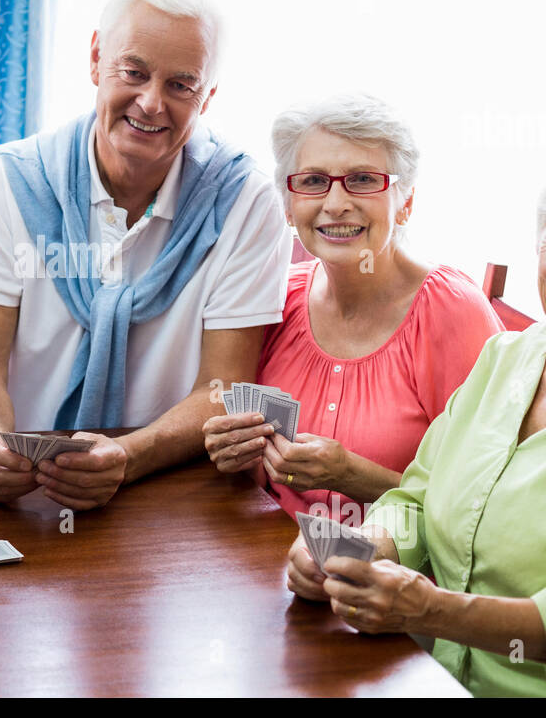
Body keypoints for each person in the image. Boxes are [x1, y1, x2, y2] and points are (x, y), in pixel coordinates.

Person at [287, 146, 546, 696]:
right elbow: (417, 499)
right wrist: (357, 550)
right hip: (442, 679)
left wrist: (433, 610)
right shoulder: (507, 357)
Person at [0, 0, 288, 511]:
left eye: (181, 85)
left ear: (209, 97)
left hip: (172, 489)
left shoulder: (246, 200)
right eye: (133, 72)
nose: (151, 103)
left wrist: (128, 457)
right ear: (94, 59)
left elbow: (223, 386)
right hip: (25, 489)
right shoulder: (9, 181)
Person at [202, 94, 503, 523]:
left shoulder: (452, 312)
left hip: (396, 576)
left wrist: (353, 476)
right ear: (288, 207)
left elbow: (486, 500)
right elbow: (259, 474)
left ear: (407, 202)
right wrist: (235, 451)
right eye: (312, 181)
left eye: (362, 179)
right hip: (272, 560)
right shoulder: (277, 299)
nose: (337, 202)